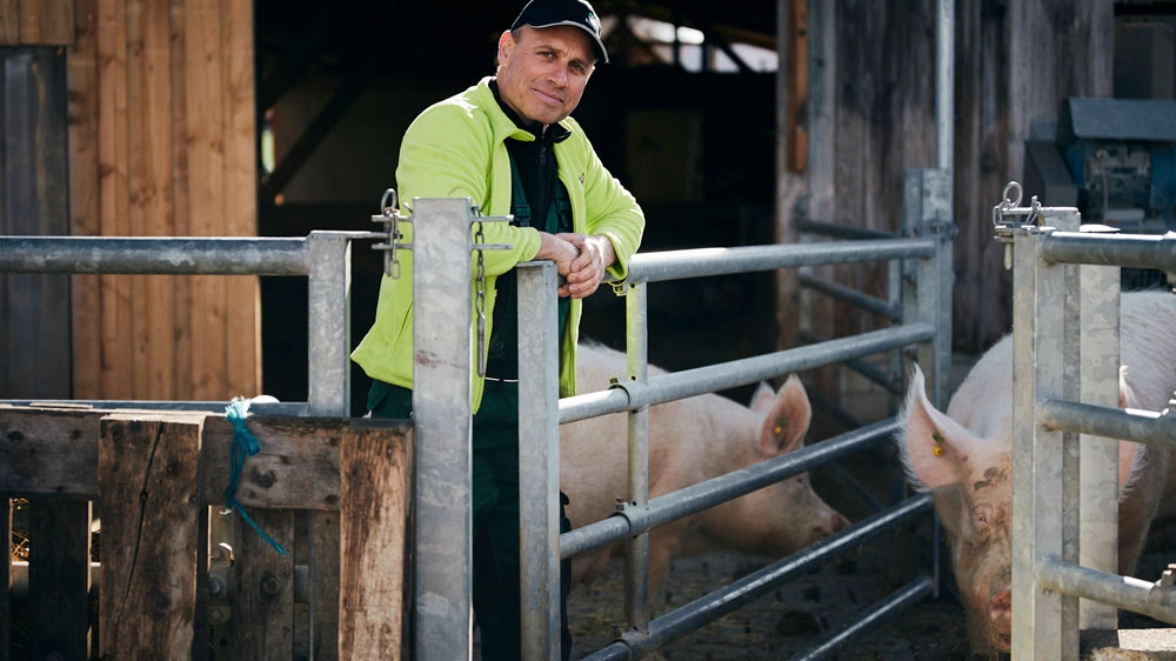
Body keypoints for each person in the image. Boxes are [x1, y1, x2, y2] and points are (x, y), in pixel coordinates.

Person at [351, 0, 645, 658]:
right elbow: (445, 231)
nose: (561, 76)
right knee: (421, 599)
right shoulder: (449, 125)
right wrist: (546, 245)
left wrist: (599, 248)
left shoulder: (569, 145)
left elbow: (626, 211)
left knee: (535, 589)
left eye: (577, 66)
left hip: (525, 412)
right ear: (506, 49)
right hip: (429, 400)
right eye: (547, 54)